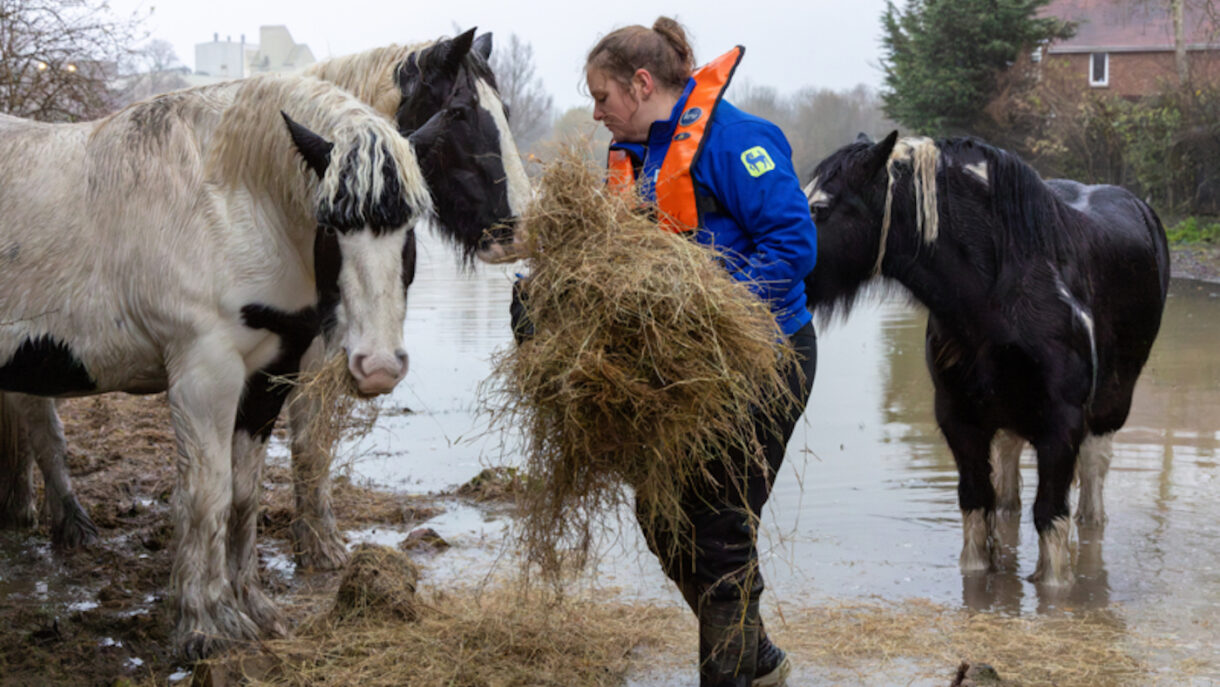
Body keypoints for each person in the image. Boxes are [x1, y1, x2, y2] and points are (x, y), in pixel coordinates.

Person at [583, 17, 818, 687]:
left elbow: (795, 247)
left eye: (602, 97)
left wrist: (711, 312)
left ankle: (726, 676)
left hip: (768, 356)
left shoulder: (737, 141)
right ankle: (759, 658)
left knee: (718, 521)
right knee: (661, 512)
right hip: (697, 371)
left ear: (641, 82)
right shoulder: (644, 158)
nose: (597, 113)